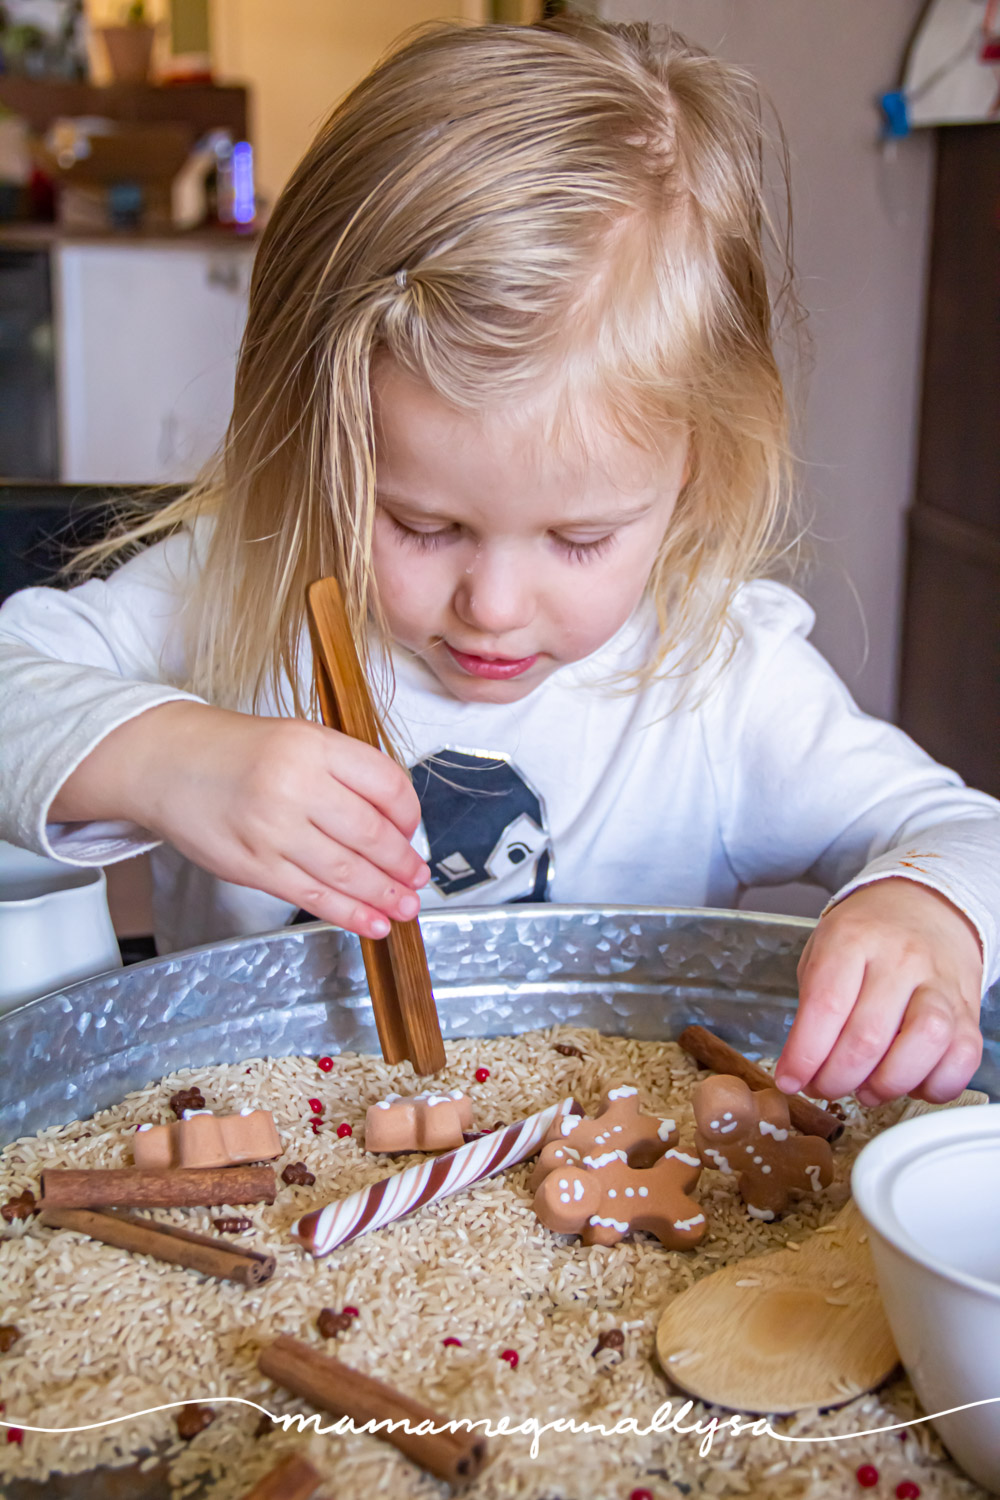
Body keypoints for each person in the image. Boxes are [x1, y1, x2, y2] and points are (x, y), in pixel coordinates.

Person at [0, 19, 996, 1108]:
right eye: (421, 525)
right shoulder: (240, 585)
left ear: (692, 471)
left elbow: (964, 831)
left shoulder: (720, 680)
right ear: (309, 443)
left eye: (580, 539)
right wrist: (170, 758)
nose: (494, 606)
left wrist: (925, 910)